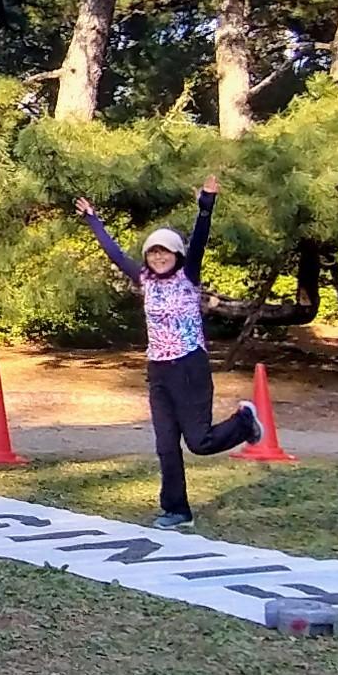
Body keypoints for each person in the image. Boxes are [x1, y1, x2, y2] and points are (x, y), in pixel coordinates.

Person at [74, 176, 264, 528]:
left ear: (176, 255)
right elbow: (114, 253)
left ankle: (243, 423)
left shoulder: (188, 276)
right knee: (165, 444)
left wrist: (205, 205)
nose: (159, 256)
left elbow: (200, 242)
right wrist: (93, 219)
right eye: (153, 252)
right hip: (158, 370)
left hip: (189, 366)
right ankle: (176, 510)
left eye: (165, 251)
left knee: (200, 441)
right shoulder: (144, 280)